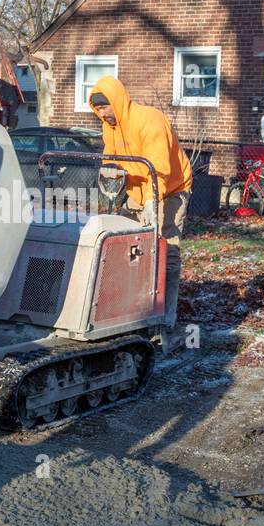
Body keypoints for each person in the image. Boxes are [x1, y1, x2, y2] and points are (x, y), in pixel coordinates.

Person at [87, 76, 193, 338]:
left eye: (105, 107)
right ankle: (134, 312)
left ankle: (166, 317)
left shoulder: (150, 120)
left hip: (170, 189)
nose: (102, 113)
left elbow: (160, 167)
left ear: (117, 101)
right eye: (97, 109)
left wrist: (150, 201)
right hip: (136, 190)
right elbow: (111, 161)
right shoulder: (108, 127)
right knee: (132, 249)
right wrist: (109, 185)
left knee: (166, 247)